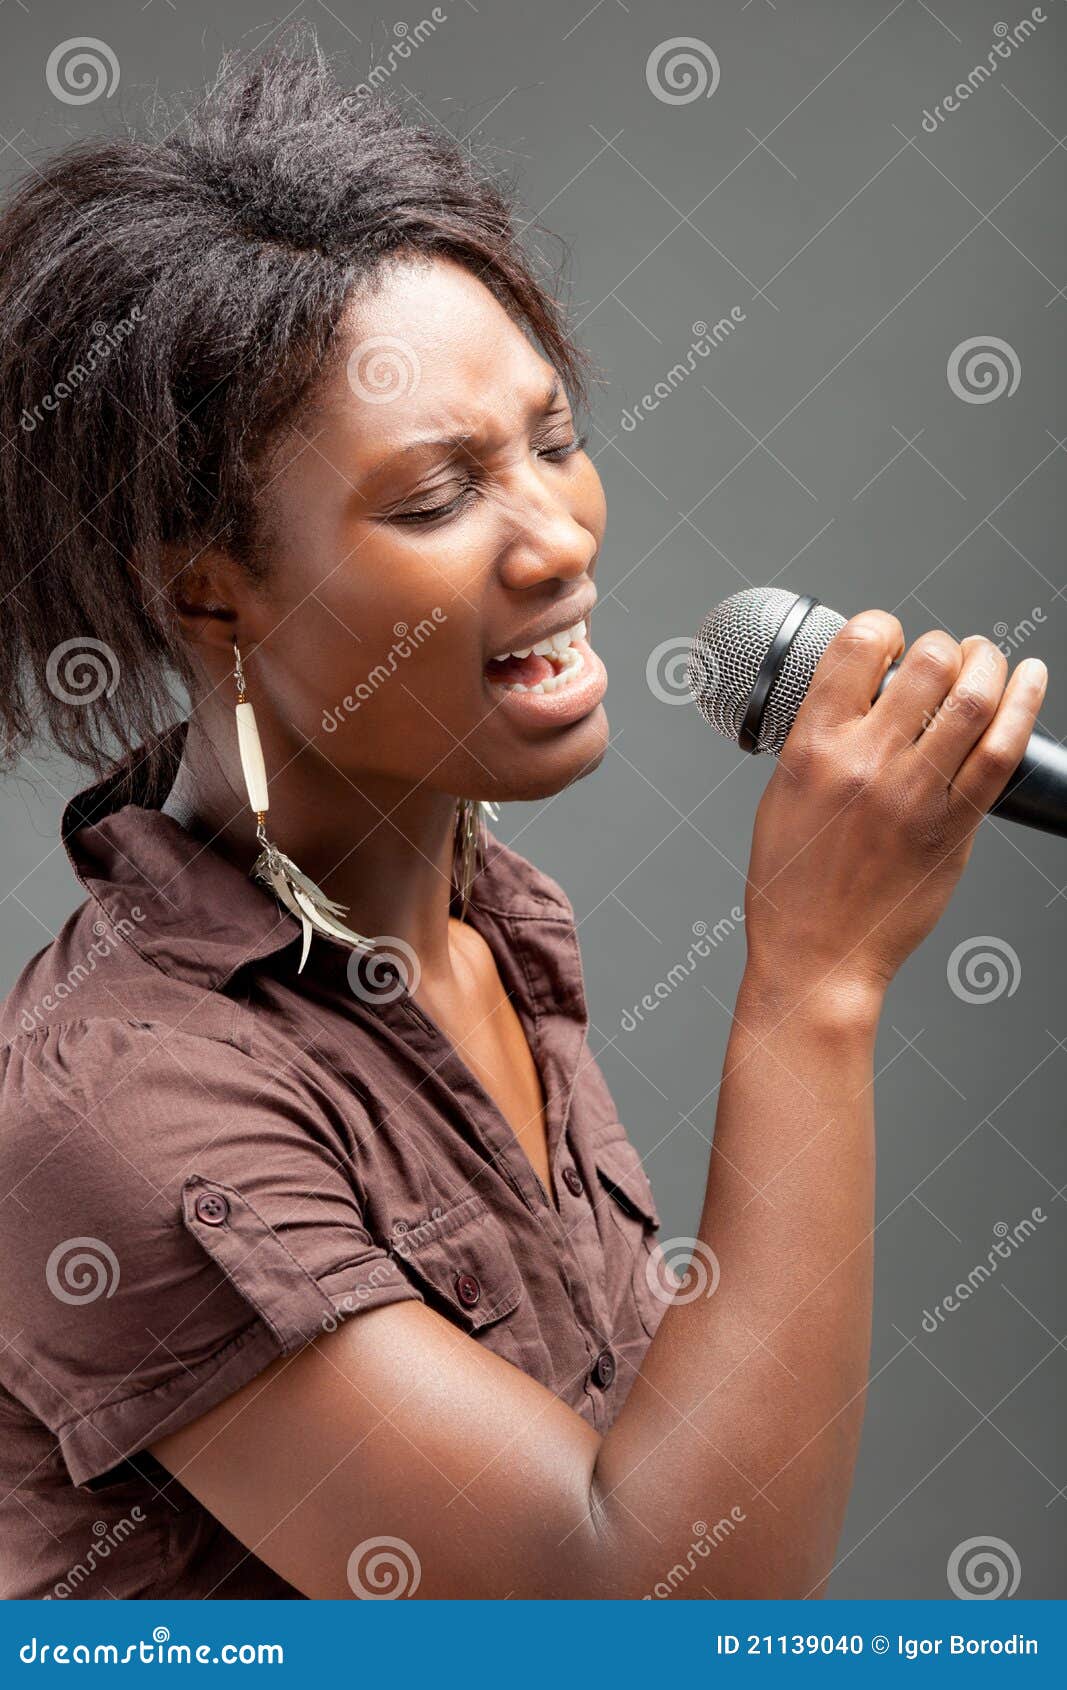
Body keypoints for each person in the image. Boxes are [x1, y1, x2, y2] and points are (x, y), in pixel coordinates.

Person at [0, 37, 1047, 1601]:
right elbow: (656, 1609)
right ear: (210, 593)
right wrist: (816, 984)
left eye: (554, 441)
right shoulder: (112, 1116)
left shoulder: (490, 918)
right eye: (436, 498)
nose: (558, 536)